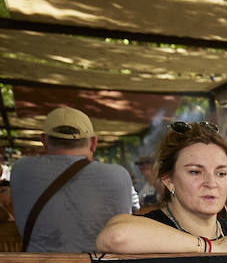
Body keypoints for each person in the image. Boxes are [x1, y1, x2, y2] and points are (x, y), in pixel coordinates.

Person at [96, 120, 227, 255]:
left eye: (221, 173)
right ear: (168, 180)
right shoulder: (148, 230)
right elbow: (115, 237)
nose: (211, 183)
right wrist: (211, 247)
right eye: (195, 172)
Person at [11, 107, 137, 252]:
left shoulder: (21, 169)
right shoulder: (117, 174)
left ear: (44, 140)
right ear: (94, 142)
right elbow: (133, 211)